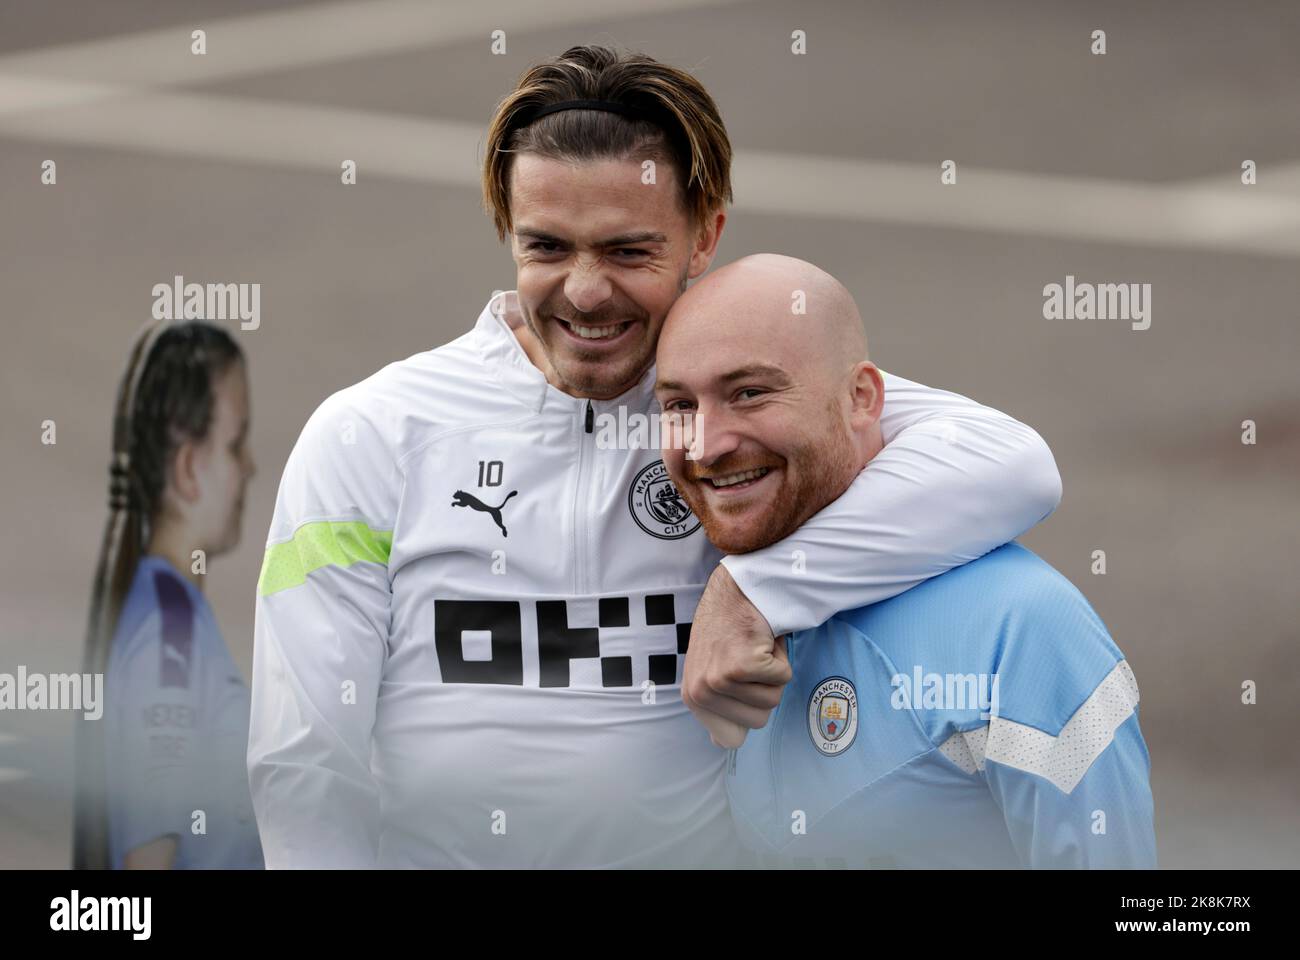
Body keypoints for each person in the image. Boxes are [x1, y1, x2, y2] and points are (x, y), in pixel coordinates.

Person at [248, 45, 1062, 868]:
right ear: (508, 232)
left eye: (629, 252)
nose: (586, 291)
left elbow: (1013, 462)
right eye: (547, 248)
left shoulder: (743, 406)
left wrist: (752, 589)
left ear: (704, 236)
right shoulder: (371, 433)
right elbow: (305, 763)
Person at [656, 254, 1156, 868]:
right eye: (679, 406)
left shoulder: (1025, 628)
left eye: (751, 393)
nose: (706, 444)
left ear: (862, 397)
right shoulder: (716, 592)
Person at [75, 320, 263, 869]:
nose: (249, 465)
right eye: (235, 443)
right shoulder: (169, 631)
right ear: (188, 471)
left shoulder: (172, 618)